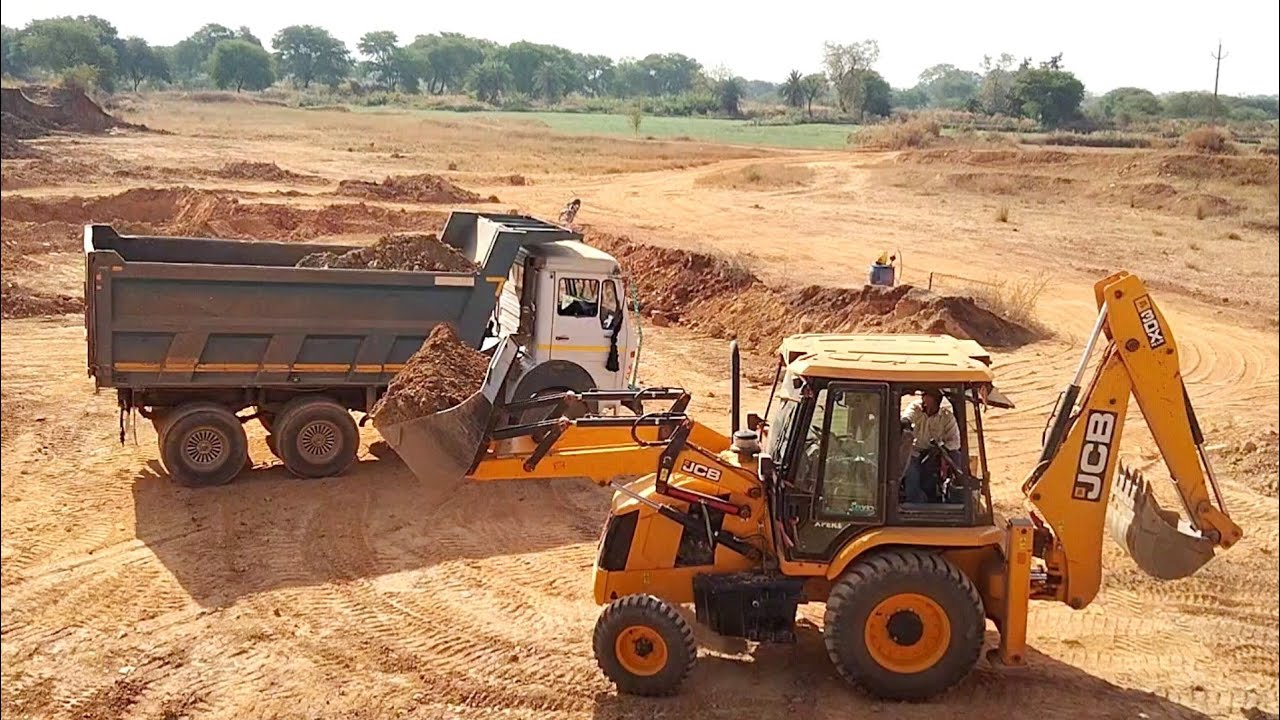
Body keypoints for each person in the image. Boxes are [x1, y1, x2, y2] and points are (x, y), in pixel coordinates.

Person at [900, 389, 963, 503]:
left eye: (927, 400)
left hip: (934, 454)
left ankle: (958, 497)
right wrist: (906, 425)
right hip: (914, 452)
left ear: (937, 402)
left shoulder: (946, 417)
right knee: (911, 473)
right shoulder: (915, 408)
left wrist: (941, 452)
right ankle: (916, 505)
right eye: (922, 398)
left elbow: (955, 442)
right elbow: (906, 419)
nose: (923, 403)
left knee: (956, 457)